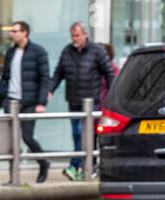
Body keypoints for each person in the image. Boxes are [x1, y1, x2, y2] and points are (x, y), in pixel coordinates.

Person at [49, 22, 116, 180]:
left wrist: (111, 95)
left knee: (82, 133)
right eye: (72, 35)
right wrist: (50, 90)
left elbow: (109, 73)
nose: (74, 39)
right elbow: (59, 73)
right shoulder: (68, 51)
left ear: (85, 35)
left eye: (77, 35)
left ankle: (75, 166)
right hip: (73, 100)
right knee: (76, 134)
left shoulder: (97, 51)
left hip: (90, 100)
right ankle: (83, 167)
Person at [0, 21, 51, 183]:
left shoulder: (38, 52)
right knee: (11, 141)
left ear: (25, 32)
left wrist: (41, 103)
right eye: (11, 31)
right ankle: (14, 177)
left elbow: (44, 79)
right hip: (10, 102)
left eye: (15, 31)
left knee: (27, 137)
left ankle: (43, 163)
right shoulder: (11, 53)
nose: (12, 34)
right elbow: (5, 78)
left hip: (29, 103)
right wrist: (0, 100)